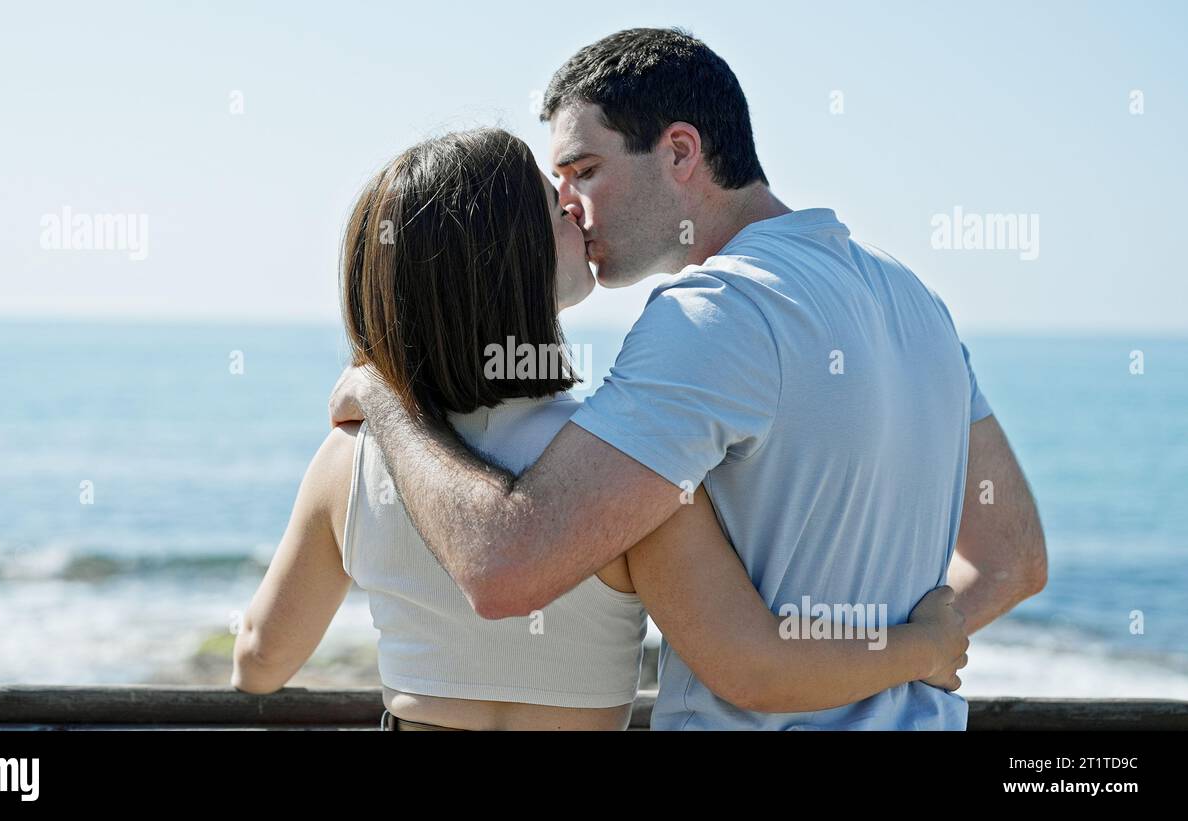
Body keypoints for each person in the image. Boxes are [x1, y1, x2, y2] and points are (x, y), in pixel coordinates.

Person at [328, 28, 1047, 730]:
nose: (569, 205)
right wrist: (908, 652)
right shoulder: (915, 299)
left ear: (679, 151)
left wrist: (387, 400)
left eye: (584, 171)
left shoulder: (713, 314)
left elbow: (504, 568)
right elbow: (1012, 559)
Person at [232, 127, 969, 730]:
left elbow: (260, 660)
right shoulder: (618, 468)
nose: (578, 214)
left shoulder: (348, 460)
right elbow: (752, 664)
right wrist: (923, 645)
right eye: (555, 212)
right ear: (509, 263)